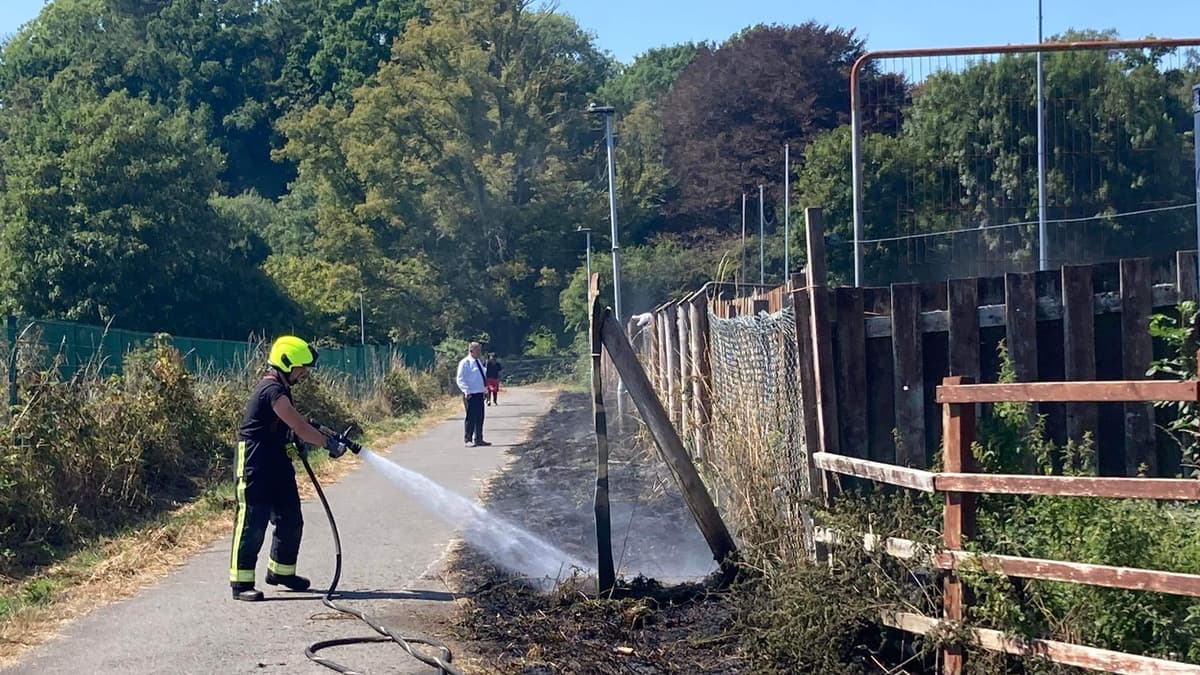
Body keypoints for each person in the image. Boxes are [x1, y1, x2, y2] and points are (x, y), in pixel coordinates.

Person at [229, 335, 358, 602]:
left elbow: (291, 427)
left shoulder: (282, 390)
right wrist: (327, 443)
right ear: (286, 364)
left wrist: (300, 441)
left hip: (277, 461)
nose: (304, 373)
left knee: (290, 518)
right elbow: (298, 425)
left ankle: (281, 572)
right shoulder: (271, 391)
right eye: (301, 368)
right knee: (253, 522)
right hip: (255, 462)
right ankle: (241, 584)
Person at [456, 341, 491, 447]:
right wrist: (466, 391)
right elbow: (460, 379)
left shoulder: (478, 362)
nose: (480, 352)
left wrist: (485, 390)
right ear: (471, 350)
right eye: (478, 350)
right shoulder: (465, 363)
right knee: (471, 417)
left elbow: (482, 377)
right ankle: (468, 439)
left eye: (480, 350)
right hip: (470, 394)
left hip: (479, 393)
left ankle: (479, 438)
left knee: (480, 417)